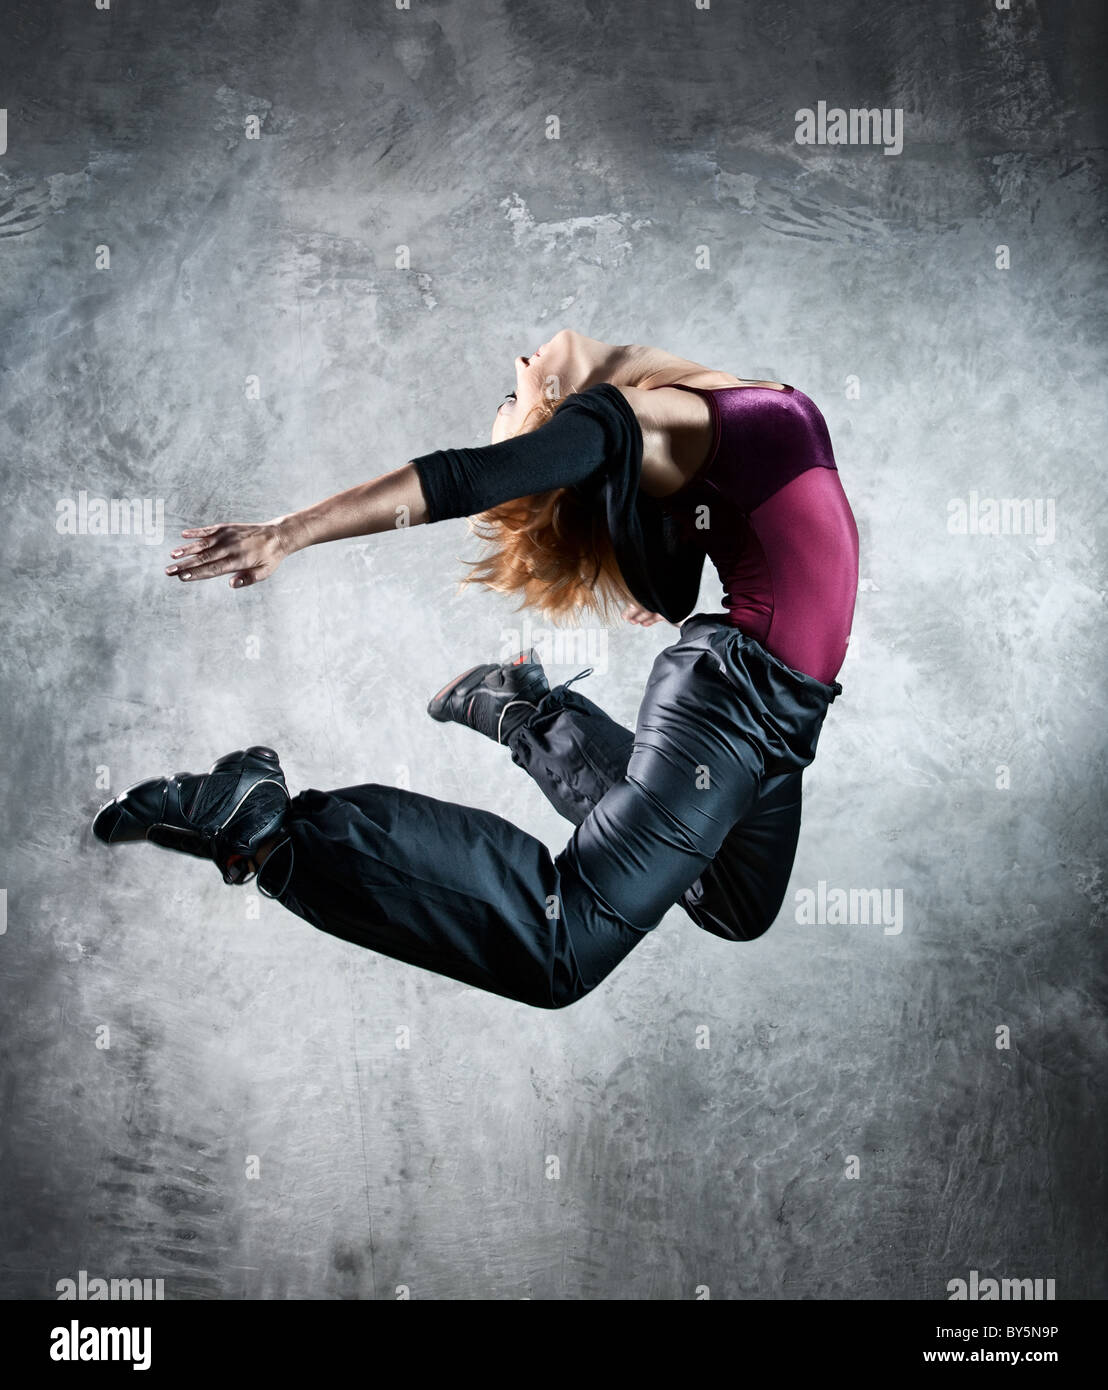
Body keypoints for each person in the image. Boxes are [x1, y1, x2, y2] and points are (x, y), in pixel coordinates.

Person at [92, 329, 859, 1009]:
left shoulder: (702, 401)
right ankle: (271, 829)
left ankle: (529, 714)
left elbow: (721, 543)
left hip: (783, 707)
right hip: (737, 700)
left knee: (735, 901)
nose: (521, 364)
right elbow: (464, 479)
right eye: (516, 401)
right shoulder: (634, 415)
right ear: (555, 419)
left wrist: (642, 557)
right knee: (560, 948)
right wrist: (286, 533)